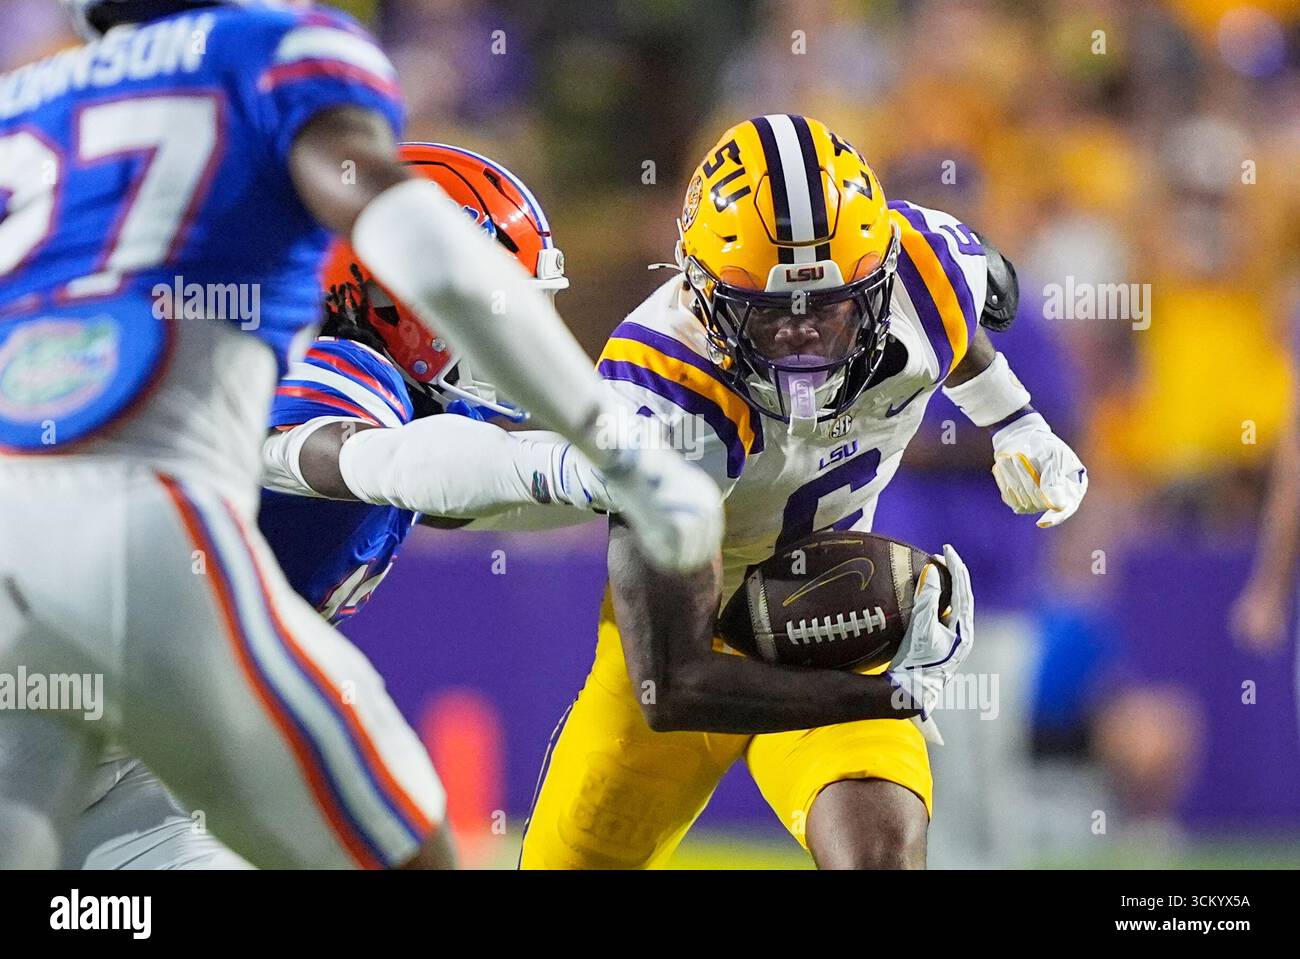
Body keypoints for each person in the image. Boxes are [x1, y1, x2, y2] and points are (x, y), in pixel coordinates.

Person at [0, 0, 720, 870]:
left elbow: (467, 488)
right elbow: (384, 457)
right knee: (408, 846)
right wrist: (606, 452)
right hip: (136, 541)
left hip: (77, 679)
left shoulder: (28, 97)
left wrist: (675, 477)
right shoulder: (341, 351)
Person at [519, 114, 1089, 869]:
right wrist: (887, 696)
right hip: (686, 641)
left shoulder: (927, 272)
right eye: (767, 311)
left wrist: (1016, 422)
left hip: (835, 612)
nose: (801, 333)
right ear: (700, 292)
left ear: (881, 282)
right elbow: (672, 686)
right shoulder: (661, 389)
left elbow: (957, 323)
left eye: (828, 304)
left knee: (879, 858)